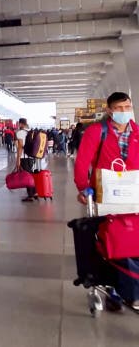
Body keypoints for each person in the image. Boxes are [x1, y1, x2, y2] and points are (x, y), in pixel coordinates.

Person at [74, 91, 139, 311]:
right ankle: (121, 290)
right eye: (119, 108)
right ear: (110, 110)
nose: (124, 112)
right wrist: (83, 187)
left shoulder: (138, 133)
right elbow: (82, 162)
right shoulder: (97, 131)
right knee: (113, 239)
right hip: (105, 196)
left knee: (133, 240)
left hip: (134, 197)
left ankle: (125, 288)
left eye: (127, 107)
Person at [15, 118, 38, 202]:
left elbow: (20, 146)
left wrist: (18, 159)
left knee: (27, 176)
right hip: (31, 157)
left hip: (24, 157)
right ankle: (34, 192)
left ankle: (31, 195)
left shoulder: (20, 133)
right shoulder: (30, 131)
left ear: (21, 124)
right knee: (30, 175)